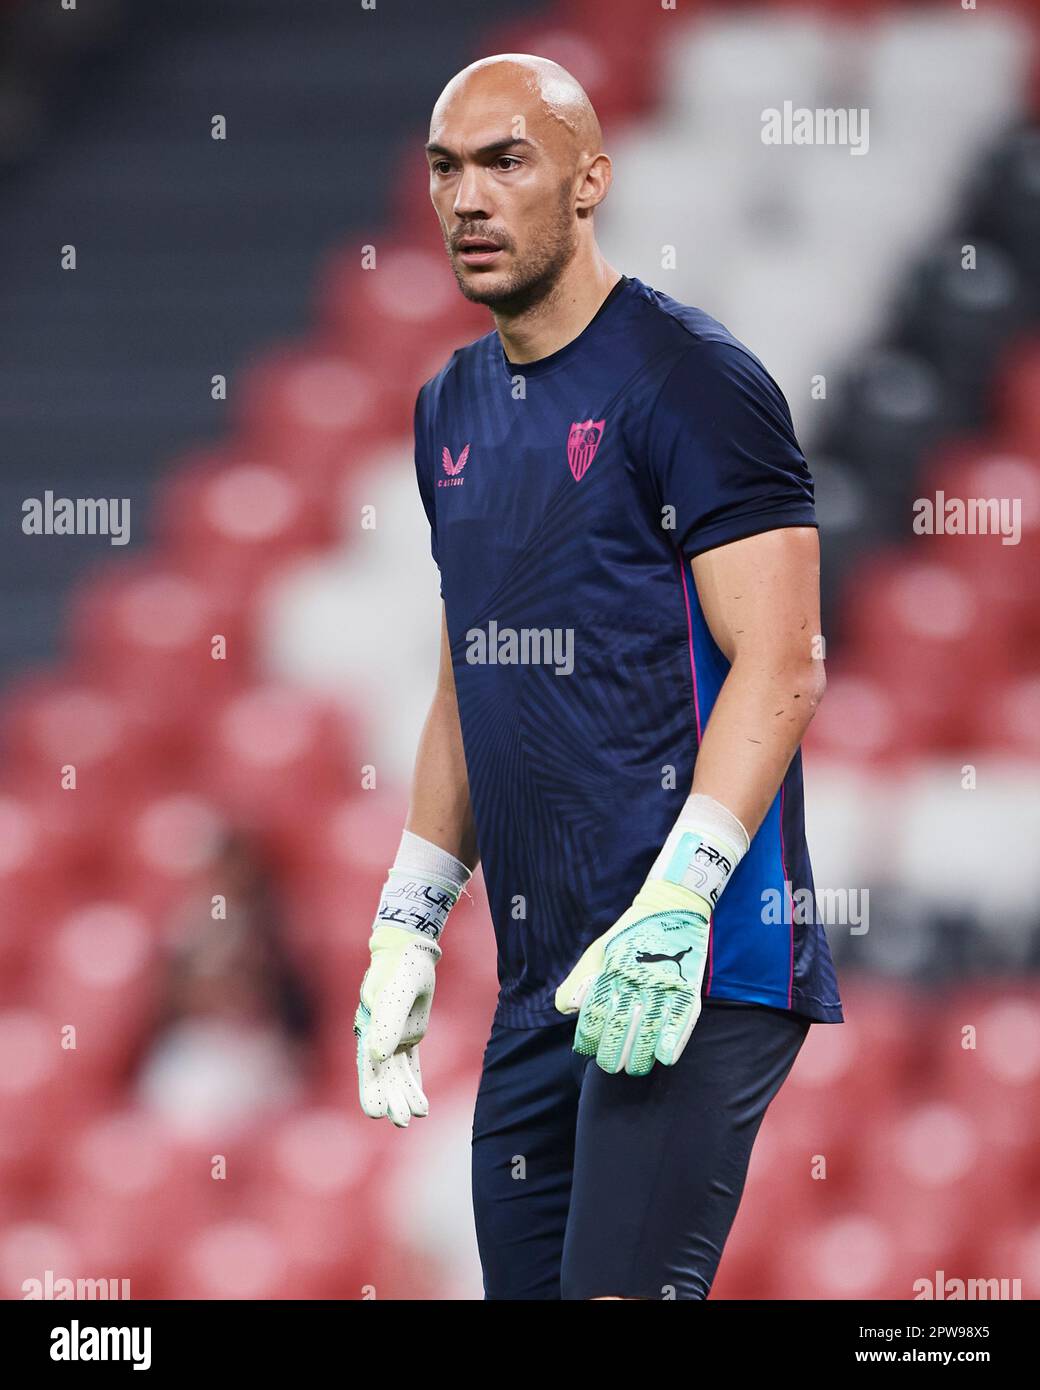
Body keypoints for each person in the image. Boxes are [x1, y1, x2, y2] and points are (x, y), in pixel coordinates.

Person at [354, 53, 843, 1301]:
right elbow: (476, 669)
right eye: (444, 169)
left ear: (588, 183)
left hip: (693, 952)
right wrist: (408, 918)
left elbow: (782, 660)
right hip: (540, 983)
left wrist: (678, 900)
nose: (466, 198)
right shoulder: (447, 410)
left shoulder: (690, 378)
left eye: (505, 161)